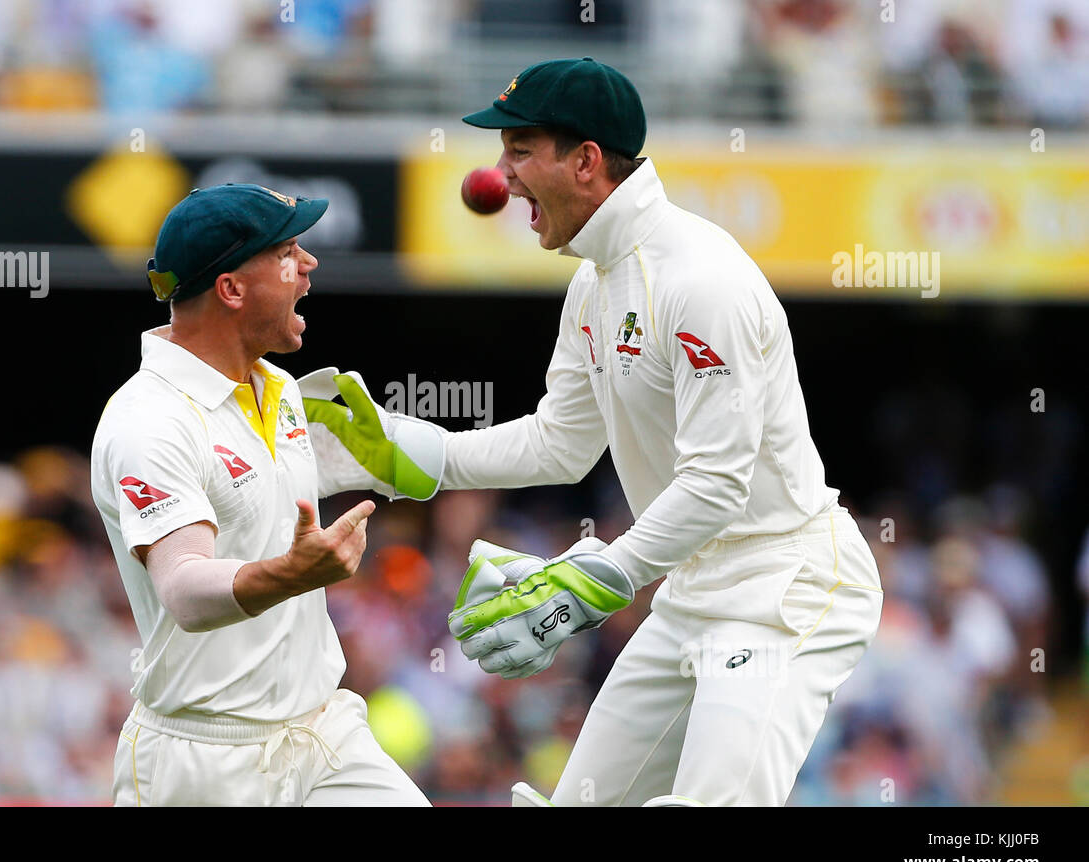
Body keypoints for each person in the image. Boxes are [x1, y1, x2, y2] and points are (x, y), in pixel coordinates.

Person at [310, 58, 883, 807]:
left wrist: (590, 583)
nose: (501, 178)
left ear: (585, 162)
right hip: (692, 590)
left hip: (787, 585)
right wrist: (419, 457)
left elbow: (717, 483)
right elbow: (562, 440)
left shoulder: (702, 280)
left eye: (520, 151)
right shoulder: (593, 283)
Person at [89, 184, 432, 806]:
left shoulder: (281, 390)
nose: (309, 264)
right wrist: (289, 574)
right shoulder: (149, 421)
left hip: (322, 734)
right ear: (232, 289)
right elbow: (185, 589)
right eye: (288, 251)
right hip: (200, 764)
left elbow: (404, 465)